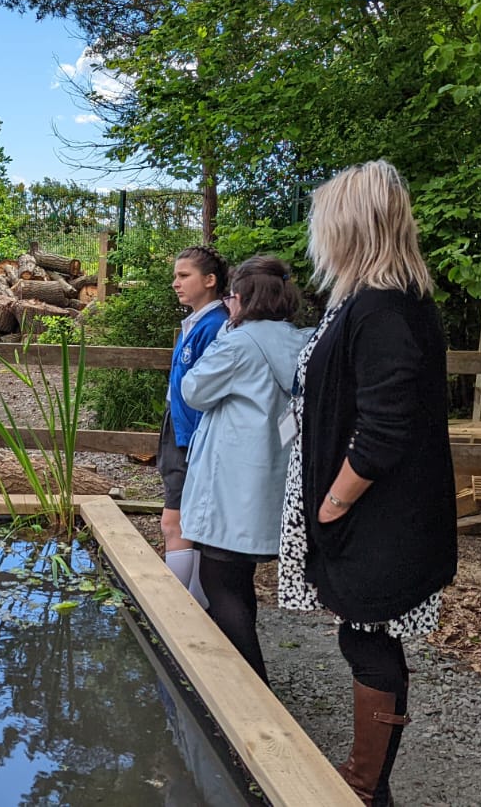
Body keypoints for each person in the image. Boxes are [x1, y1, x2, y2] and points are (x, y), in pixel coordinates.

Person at [277, 160, 457, 806]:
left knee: (367, 634)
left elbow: (384, 429)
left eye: (324, 223)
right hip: (373, 514)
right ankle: (367, 782)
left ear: (351, 226)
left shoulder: (383, 306)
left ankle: (364, 787)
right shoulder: (378, 301)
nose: (317, 236)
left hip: (376, 516)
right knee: (366, 634)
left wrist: (330, 506)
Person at [179, 256, 312, 686]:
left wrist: (225, 335)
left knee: (218, 580)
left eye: (232, 297)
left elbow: (194, 390)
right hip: (270, 475)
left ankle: (251, 690)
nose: (228, 305)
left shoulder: (238, 343)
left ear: (242, 299)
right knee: (239, 579)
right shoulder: (302, 341)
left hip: (231, 480)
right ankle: (241, 679)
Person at [160, 244, 229, 608]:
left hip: (192, 438)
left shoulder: (215, 327)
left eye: (184, 275)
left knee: (176, 522)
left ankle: (173, 609)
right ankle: (197, 604)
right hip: (181, 430)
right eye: (176, 275)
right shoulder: (196, 322)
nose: (176, 283)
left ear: (211, 280)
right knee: (186, 523)